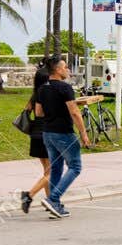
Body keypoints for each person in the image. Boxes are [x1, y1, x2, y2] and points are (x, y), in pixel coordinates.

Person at [39, 56, 90, 216]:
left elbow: (39, 112)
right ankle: (53, 198)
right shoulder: (65, 88)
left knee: (56, 168)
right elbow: (74, 112)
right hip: (64, 133)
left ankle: (55, 204)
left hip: (47, 133)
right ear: (57, 69)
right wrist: (83, 133)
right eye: (66, 67)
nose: (68, 70)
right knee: (75, 167)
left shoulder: (42, 88)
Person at [20, 57, 55, 215]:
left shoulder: (34, 96)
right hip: (46, 134)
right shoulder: (47, 95)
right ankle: (29, 195)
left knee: (47, 171)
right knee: (51, 171)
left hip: (35, 135)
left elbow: (27, 110)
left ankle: (50, 202)